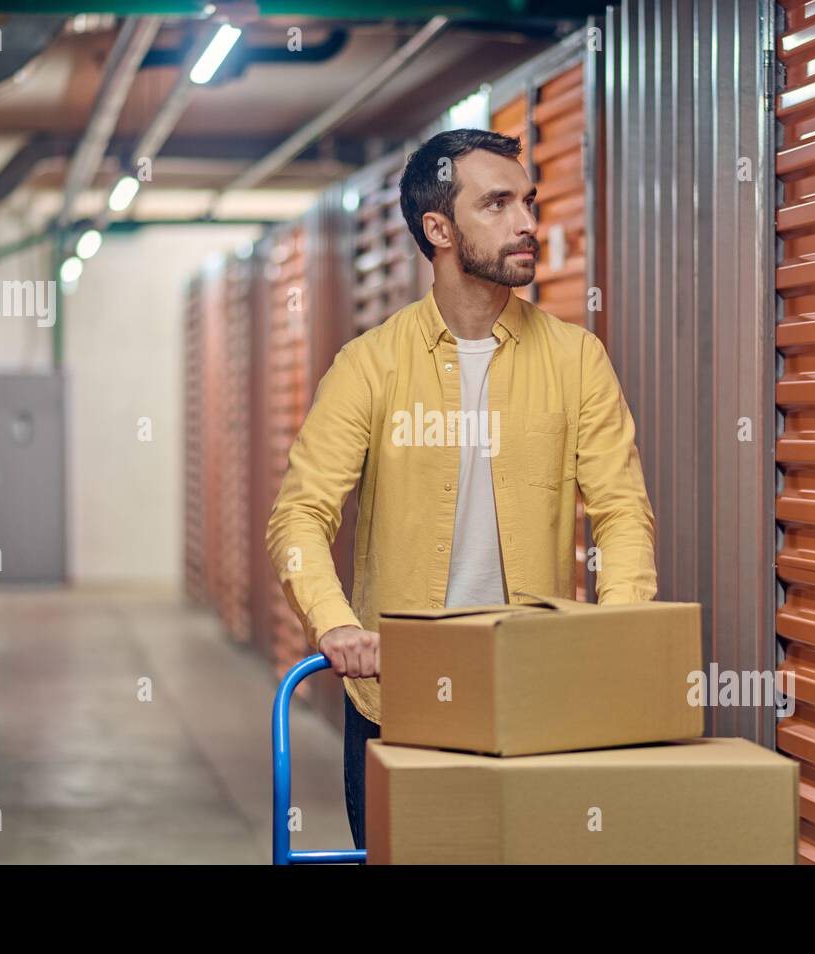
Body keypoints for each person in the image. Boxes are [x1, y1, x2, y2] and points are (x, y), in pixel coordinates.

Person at [265, 128, 657, 850]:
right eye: (499, 204)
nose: (527, 223)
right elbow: (300, 515)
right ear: (438, 229)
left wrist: (618, 632)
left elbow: (622, 512)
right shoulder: (370, 367)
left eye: (528, 202)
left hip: (534, 696)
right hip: (399, 700)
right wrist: (336, 625)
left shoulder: (577, 361)